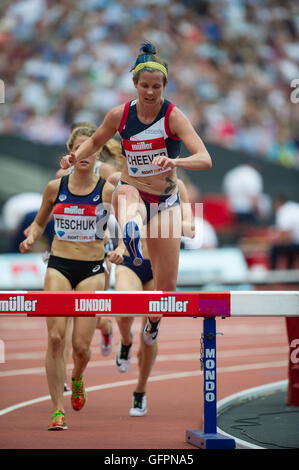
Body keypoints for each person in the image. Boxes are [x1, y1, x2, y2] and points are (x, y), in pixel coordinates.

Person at [60, 41, 212, 347]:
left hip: (166, 202)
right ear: (135, 84)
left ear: (165, 86)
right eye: (145, 86)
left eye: (157, 87)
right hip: (132, 191)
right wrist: (75, 158)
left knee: (167, 288)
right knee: (128, 200)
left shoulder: (173, 116)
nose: (151, 92)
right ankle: (130, 229)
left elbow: (205, 159)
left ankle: (153, 321)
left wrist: (175, 161)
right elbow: (95, 140)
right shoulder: (120, 114)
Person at [19, 127, 123, 431]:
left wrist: (118, 248)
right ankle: (57, 410)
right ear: (71, 153)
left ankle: (77, 376)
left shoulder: (106, 189)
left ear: (98, 154)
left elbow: (125, 222)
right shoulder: (55, 187)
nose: (86, 155)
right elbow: (38, 225)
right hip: (59, 265)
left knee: (80, 347)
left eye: (92, 150)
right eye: (80, 149)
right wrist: (31, 238)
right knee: (54, 338)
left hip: (92, 270)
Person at [110, 171, 194, 416]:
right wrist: (118, 247)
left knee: (149, 337)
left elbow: (190, 226)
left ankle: (140, 390)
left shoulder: (177, 186)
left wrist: (177, 226)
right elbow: (113, 219)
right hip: (129, 260)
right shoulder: (125, 181)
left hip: (156, 267)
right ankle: (125, 341)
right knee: (124, 310)